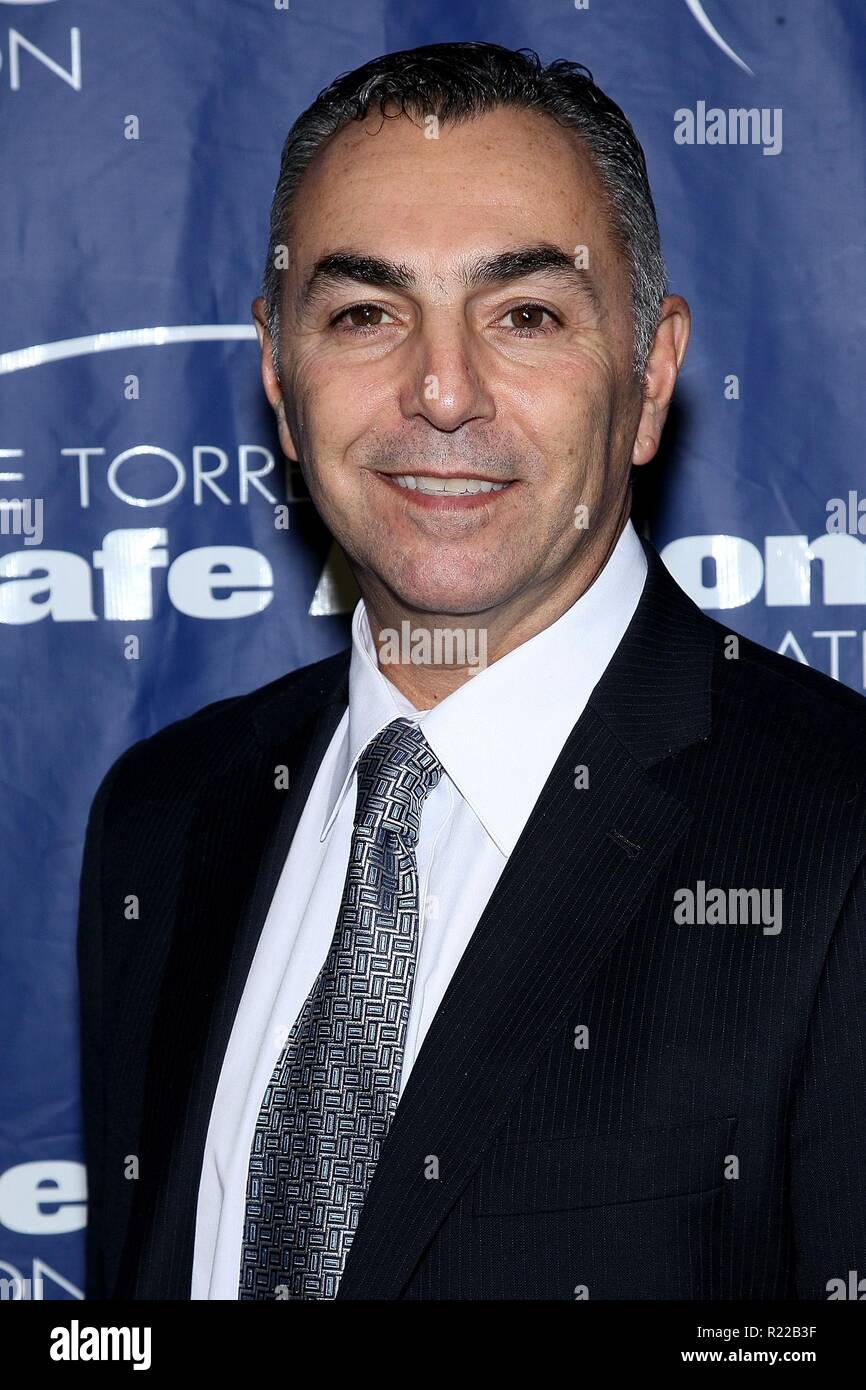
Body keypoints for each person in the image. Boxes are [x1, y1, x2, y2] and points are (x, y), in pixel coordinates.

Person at [77, 40, 866, 1301]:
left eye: (525, 315)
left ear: (649, 375)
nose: (441, 392)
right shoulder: (164, 815)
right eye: (365, 314)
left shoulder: (835, 834)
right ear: (280, 378)